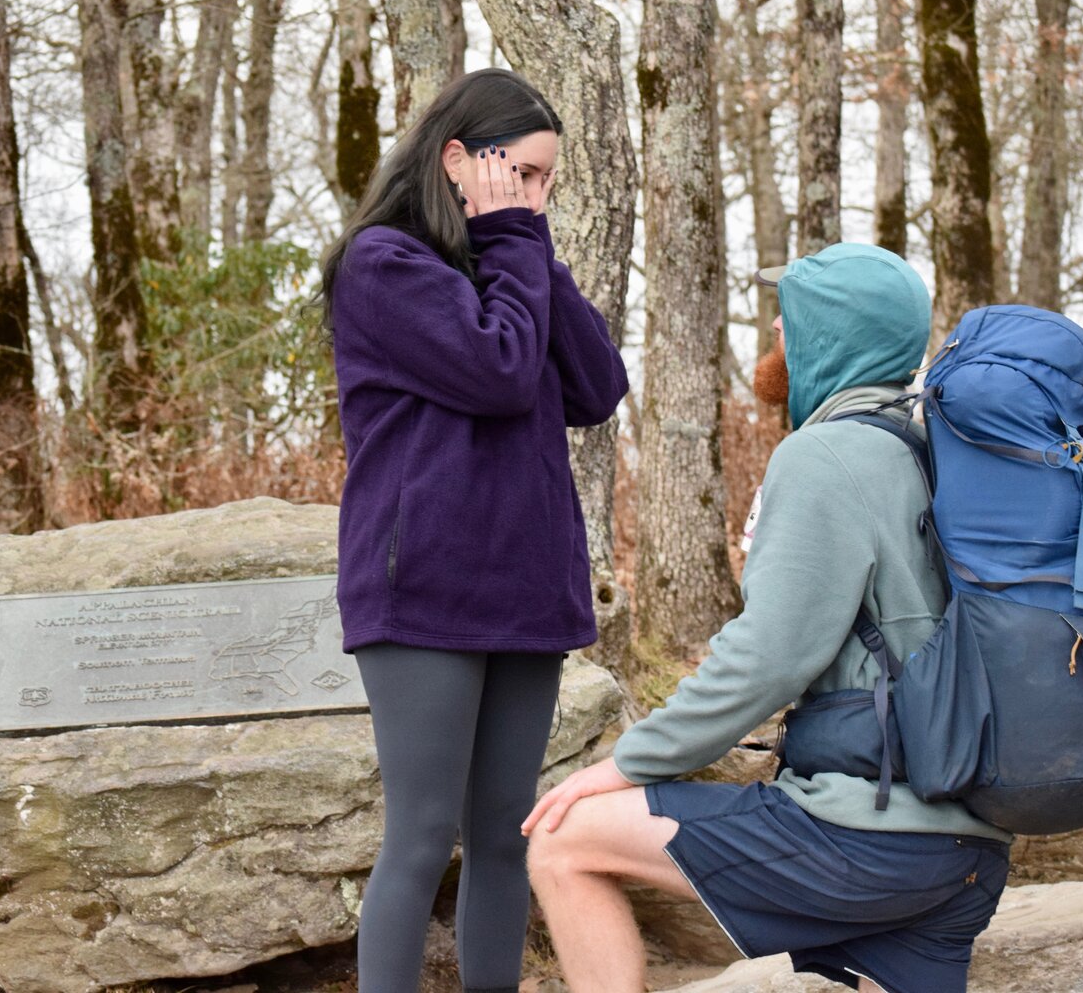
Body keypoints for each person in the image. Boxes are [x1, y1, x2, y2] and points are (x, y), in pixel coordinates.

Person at [521, 244, 1011, 993]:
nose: (775, 334)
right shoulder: (932, 449)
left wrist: (624, 764)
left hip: (868, 836)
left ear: (829, 337)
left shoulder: (825, 457)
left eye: (789, 321)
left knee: (563, 841)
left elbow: (769, 656)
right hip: (969, 848)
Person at [319, 68, 628, 993]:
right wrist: (513, 245)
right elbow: (497, 371)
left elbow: (596, 387)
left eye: (547, 184)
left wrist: (524, 245)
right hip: (424, 589)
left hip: (527, 586)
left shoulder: (510, 257)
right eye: (522, 177)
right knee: (420, 836)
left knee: (504, 833)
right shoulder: (383, 266)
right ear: (458, 159)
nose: (535, 199)